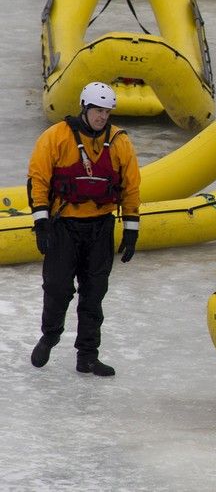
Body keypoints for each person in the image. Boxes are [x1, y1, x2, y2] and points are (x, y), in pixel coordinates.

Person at [28, 81, 140, 377]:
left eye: (107, 112)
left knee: (94, 294)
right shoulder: (56, 138)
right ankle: (50, 336)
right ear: (85, 108)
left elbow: (131, 187)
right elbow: (38, 179)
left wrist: (131, 229)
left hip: (100, 228)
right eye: (98, 111)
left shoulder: (119, 143)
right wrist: (41, 222)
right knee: (57, 288)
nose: (103, 117)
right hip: (64, 226)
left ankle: (88, 356)